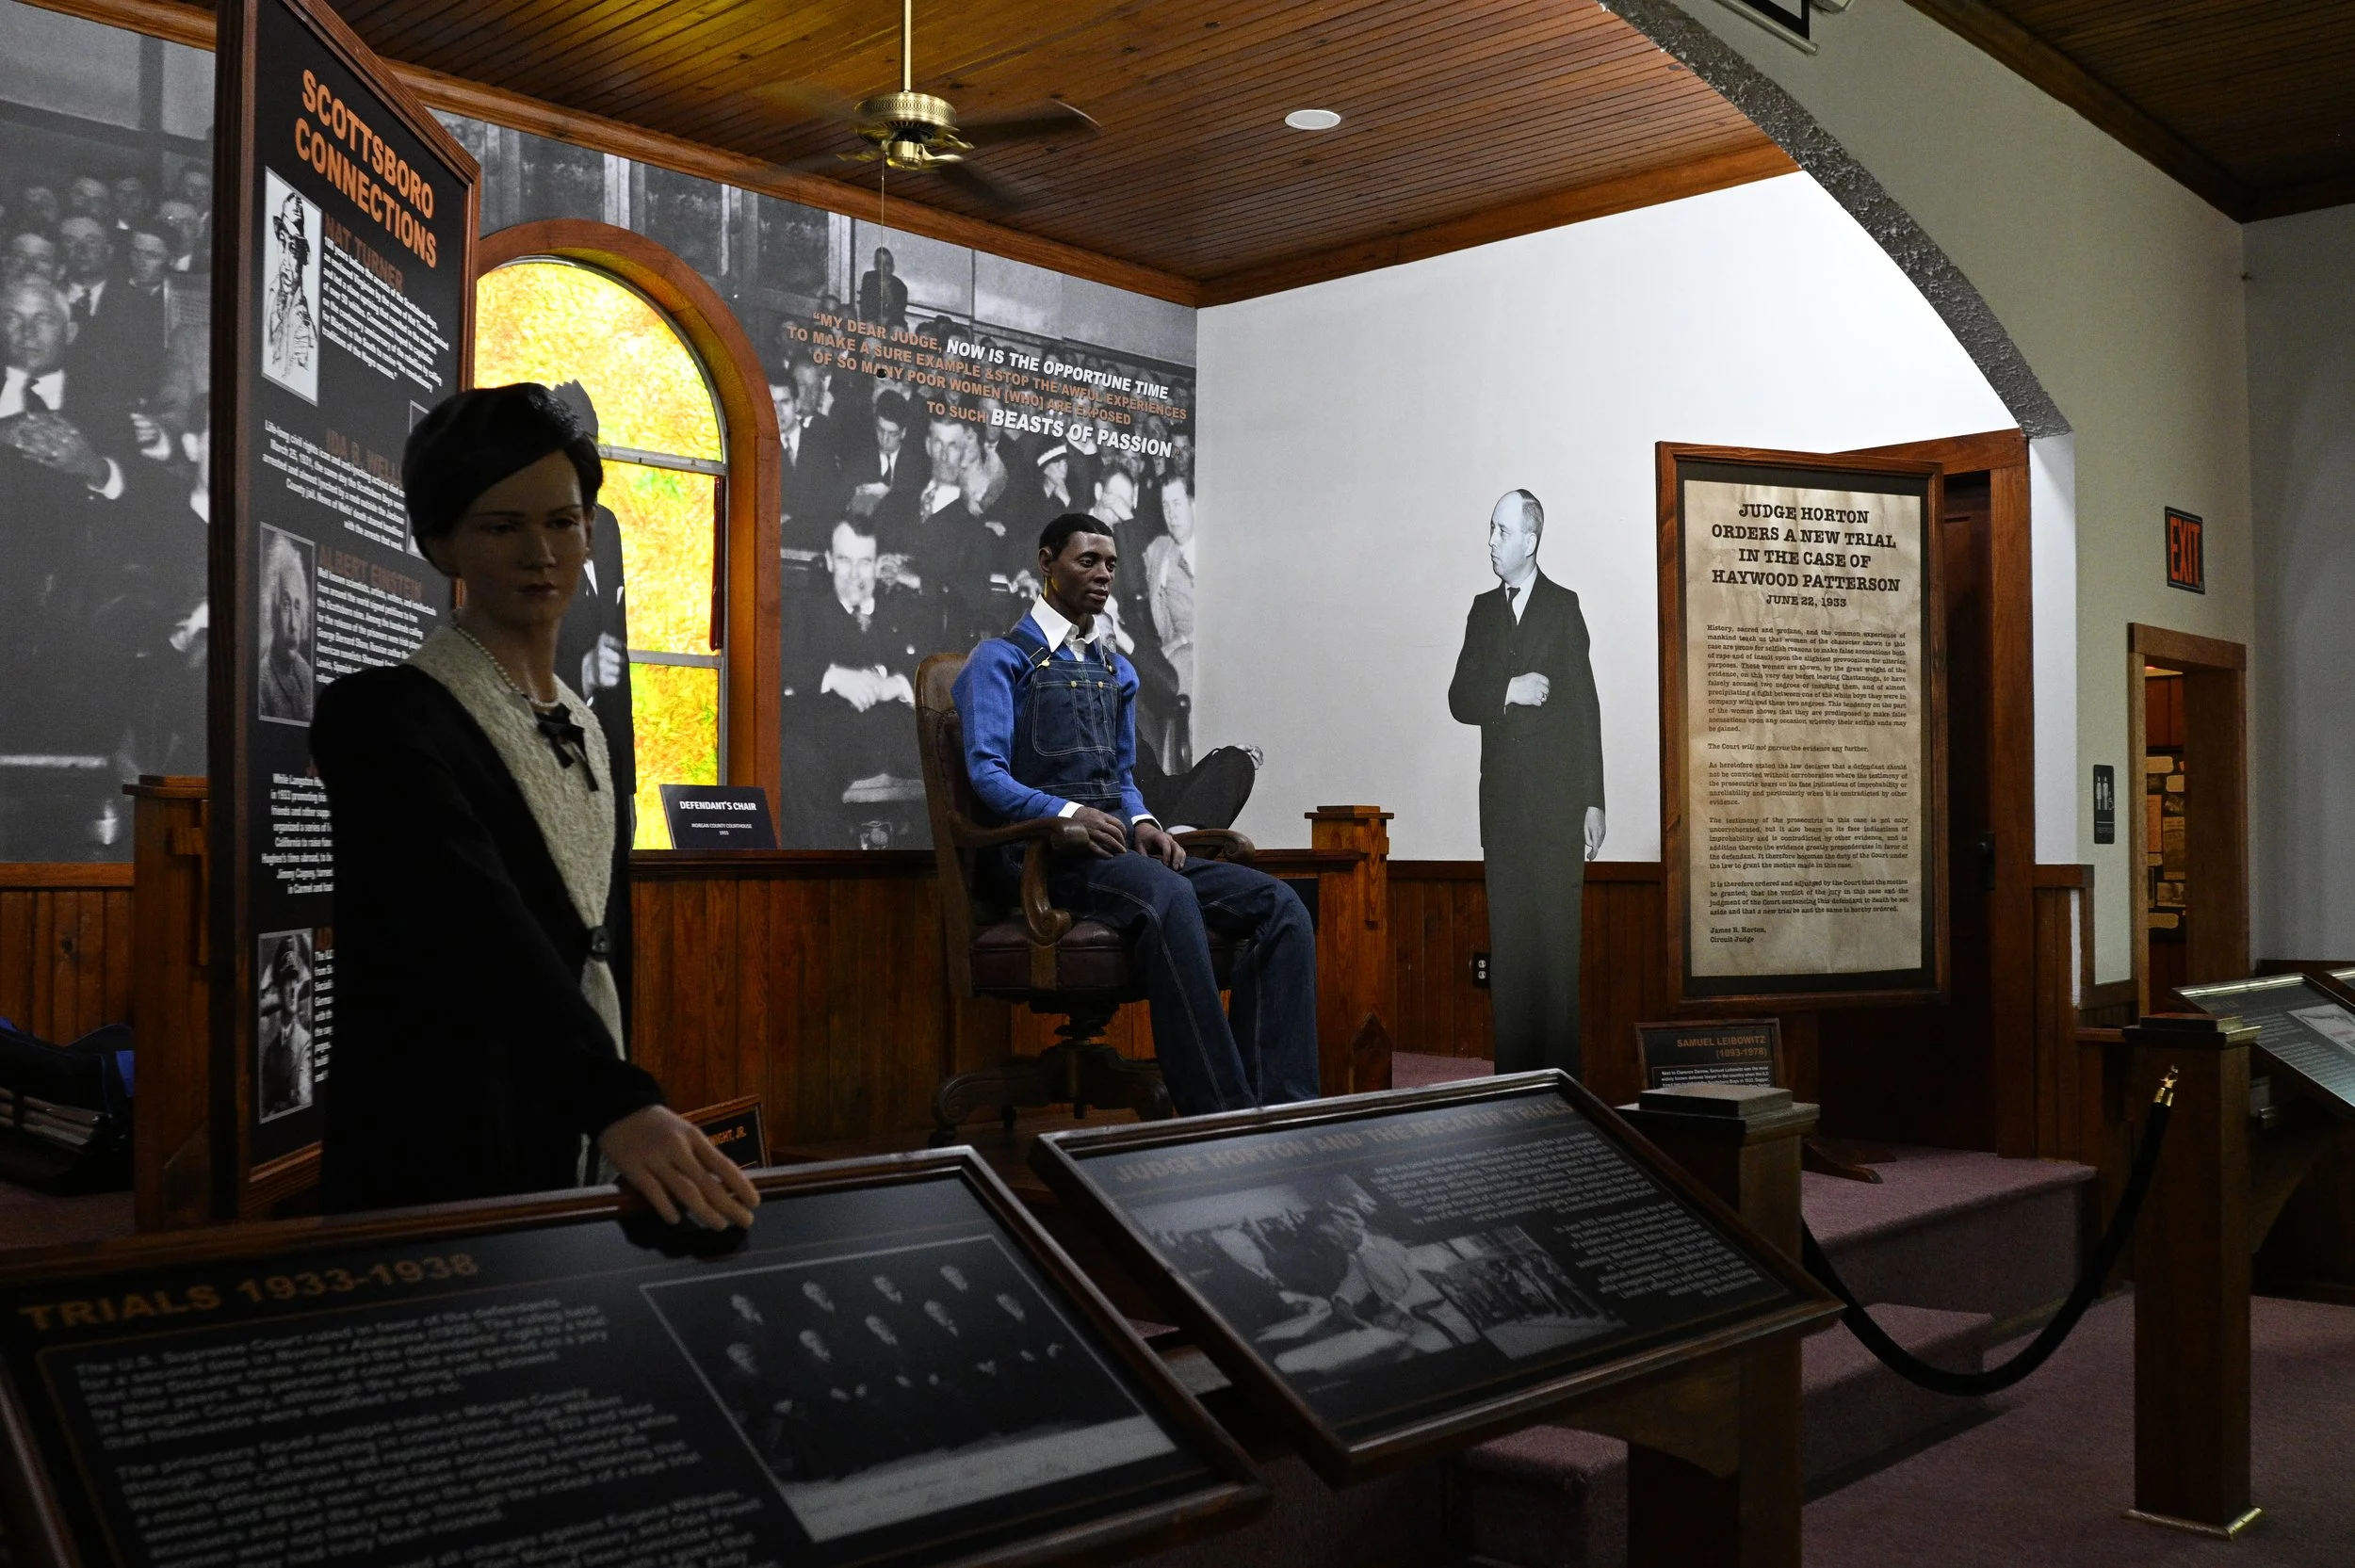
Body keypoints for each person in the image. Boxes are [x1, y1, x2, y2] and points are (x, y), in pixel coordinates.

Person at [312, 382, 759, 1225]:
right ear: (442, 542)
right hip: (447, 1131)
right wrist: (618, 1098)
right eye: (501, 526)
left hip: (580, 1122)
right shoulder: (381, 715)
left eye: (562, 521)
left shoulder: (587, 726)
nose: (540, 553)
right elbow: (476, 916)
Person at [950, 514, 1319, 1115]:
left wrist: (1144, 821)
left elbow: (1121, 779)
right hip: (1044, 863)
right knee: (1167, 896)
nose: (1102, 575)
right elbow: (988, 776)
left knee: (1281, 907)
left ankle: (1282, 1108)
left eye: (1110, 564)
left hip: (1118, 855)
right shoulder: (998, 662)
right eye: (1086, 561)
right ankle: (1218, 1113)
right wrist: (1069, 814)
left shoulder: (1116, 669)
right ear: (1047, 562)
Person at [1449, 489, 1604, 1077]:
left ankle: (1564, 1090)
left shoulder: (1564, 608)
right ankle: (1510, 1090)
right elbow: (1460, 698)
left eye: (1500, 531)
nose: (1491, 540)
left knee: (1558, 956)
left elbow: (1586, 709)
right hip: (1504, 815)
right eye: (1491, 529)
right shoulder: (1482, 612)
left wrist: (1594, 801)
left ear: (1530, 541)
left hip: (1561, 809)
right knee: (1510, 956)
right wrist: (1507, 691)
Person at [856, 246, 908, 329]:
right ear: (875, 265)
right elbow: (866, 308)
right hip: (873, 321)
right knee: (870, 326)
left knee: (898, 331)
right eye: (880, 263)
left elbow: (898, 313)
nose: (883, 268)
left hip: (893, 324)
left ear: (892, 267)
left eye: (887, 264)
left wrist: (886, 289)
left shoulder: (900, 287)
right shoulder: (868, 278)